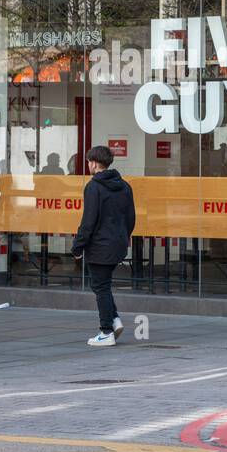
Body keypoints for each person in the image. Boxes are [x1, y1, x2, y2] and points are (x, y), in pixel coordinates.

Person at [72, 144, 135, 347]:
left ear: (94, 163)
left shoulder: (93, 187)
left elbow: (88, 220)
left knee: (100, 287)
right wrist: (124, 236)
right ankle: (114, 321)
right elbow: (131, 217)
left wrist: (78, 246)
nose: (88, 165)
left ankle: (106, 331)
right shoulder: (125, 185)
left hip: (100, 245)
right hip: (117, 243)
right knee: (103, 285)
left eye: (89, 161)